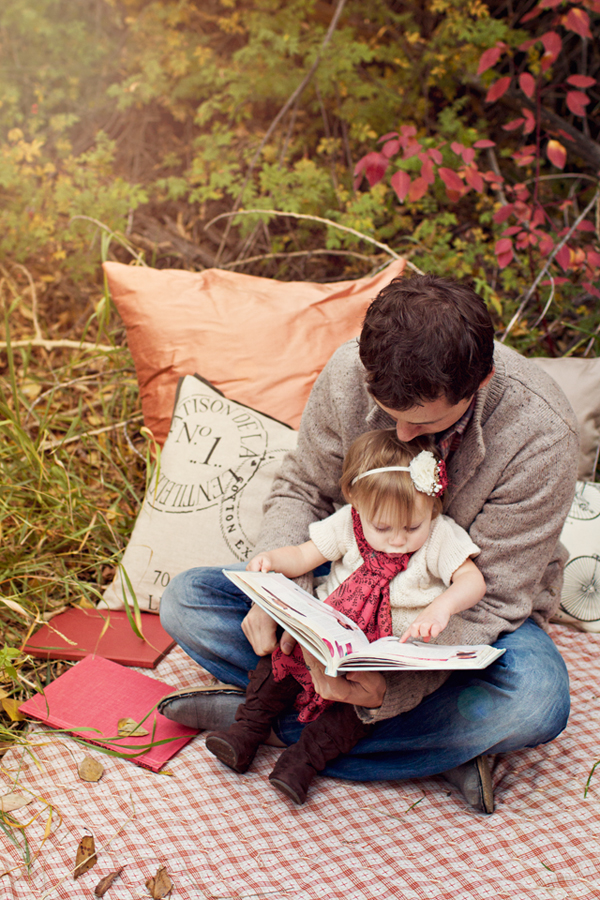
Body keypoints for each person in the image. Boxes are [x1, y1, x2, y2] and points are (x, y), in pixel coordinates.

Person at [159, 273, 579, 814]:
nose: (403, 433)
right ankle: (439, 749)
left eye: (421, 419)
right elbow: (303, 489)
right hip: (337, 599)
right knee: (187, 600)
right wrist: (276, 595)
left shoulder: (542, 435)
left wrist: (390, 690)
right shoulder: (348, 372)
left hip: (459, 624)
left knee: (536, 701)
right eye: (390, 414)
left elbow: (494, 598)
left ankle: (267, 723)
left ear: (482, 380)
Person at [204, 430, 486, 804]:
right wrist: (272, 562)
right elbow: (305, 556)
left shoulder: (438, 536)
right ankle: (245, 730)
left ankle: (302, 763)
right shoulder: (347, 523)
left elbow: (473, 580)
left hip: (377, 660)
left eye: (412, 527)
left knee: (354, 715)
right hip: (322, 637)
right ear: (357, 504)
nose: (397, 540)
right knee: (278, 664)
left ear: (433, 507)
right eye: (382, 528)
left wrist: (442, 607)